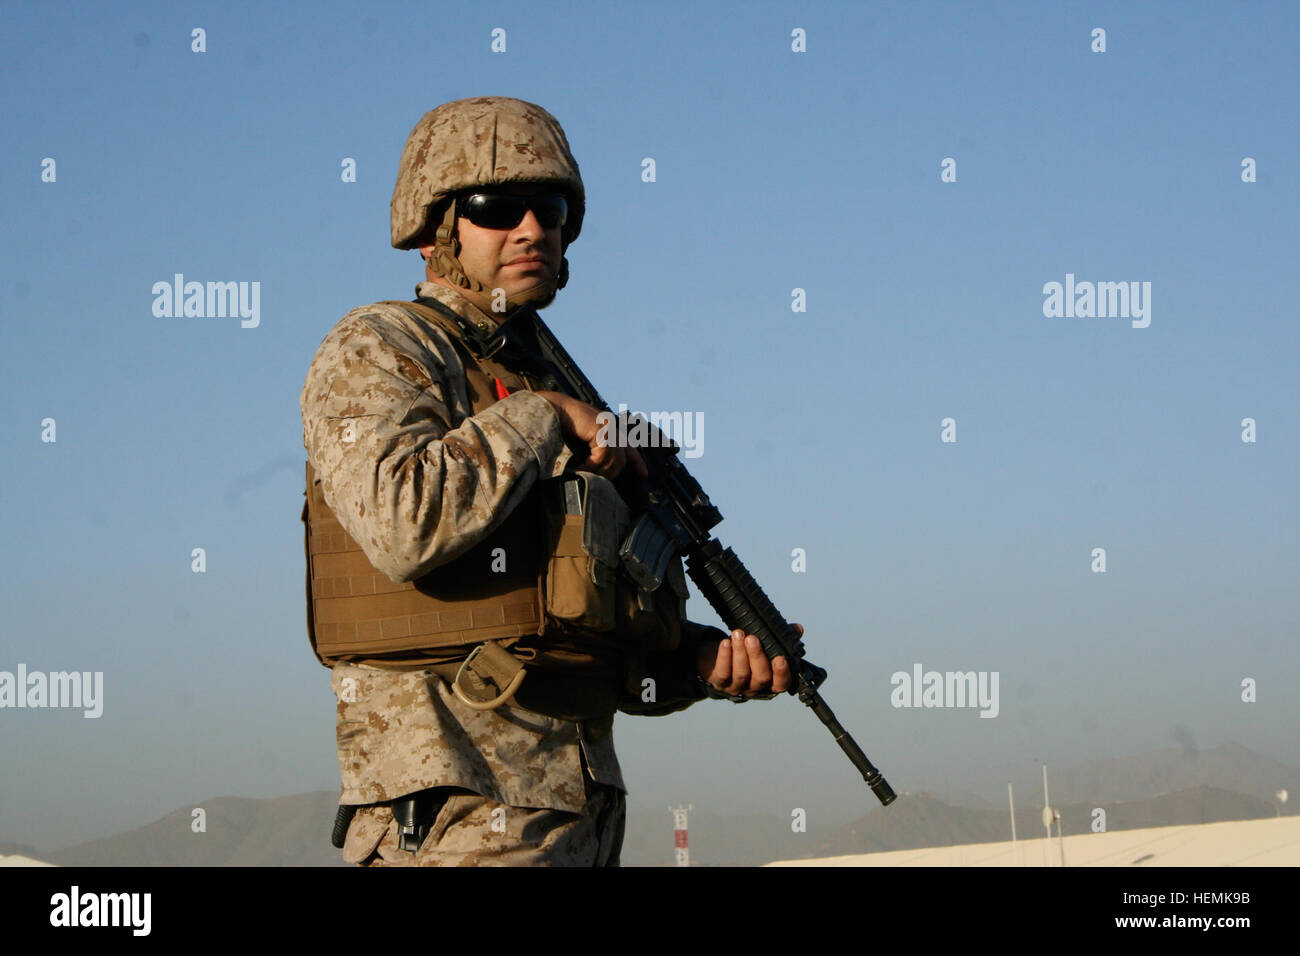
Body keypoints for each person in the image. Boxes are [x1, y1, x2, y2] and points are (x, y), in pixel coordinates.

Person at [299, 96, 794, 866]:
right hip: (457, 811)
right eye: (500, 207)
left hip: (576, 817)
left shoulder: (547, 380)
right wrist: (544, 415)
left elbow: (582, 635)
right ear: (439, 228)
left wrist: (696, 663)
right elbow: (402, 520)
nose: (533, 228)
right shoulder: (381, 347)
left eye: (552, 207)